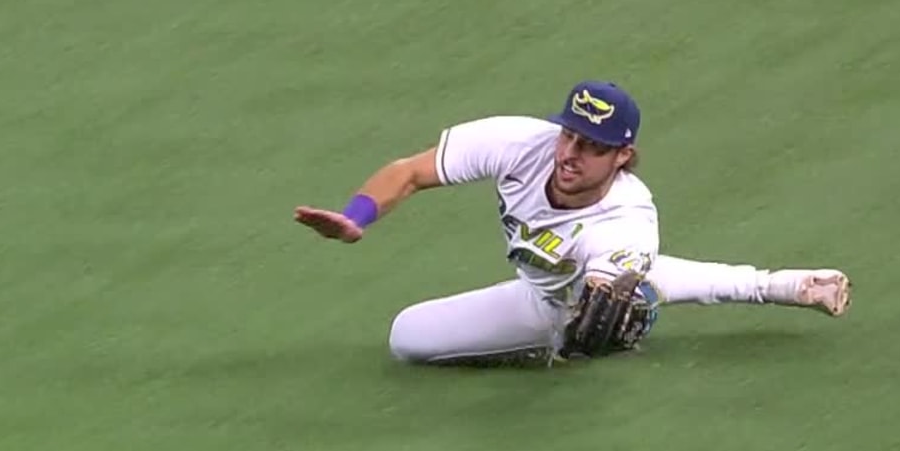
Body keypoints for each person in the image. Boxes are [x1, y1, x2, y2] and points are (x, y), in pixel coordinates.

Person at [294, 80, 851, 366]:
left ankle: (640, 309)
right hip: (552, 278)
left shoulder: (628, 219)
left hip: (555, 304)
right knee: (639, 275)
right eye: (570, 135)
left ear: (623, 157)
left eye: (592, 147)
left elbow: (605, 291)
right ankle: (786, 284)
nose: (570, 154)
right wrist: (356, 217)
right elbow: (409, 172)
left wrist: (604, 314)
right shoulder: (518, 142)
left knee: (409, 339)